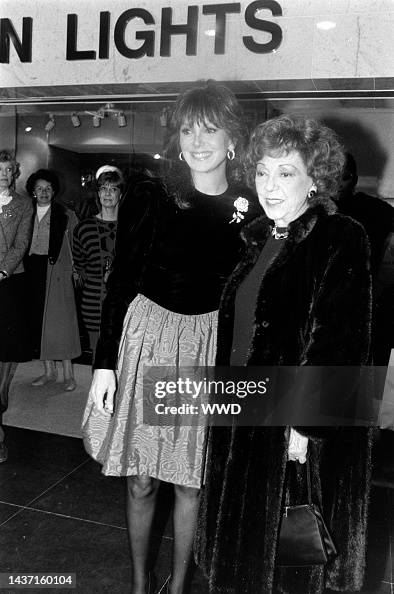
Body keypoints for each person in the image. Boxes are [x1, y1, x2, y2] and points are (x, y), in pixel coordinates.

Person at [82, 80, 260, 594]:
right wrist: (103, 363)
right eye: (188, 129)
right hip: (148, 334)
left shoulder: (251, 204)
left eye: (210, 129)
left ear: (233, 138)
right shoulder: (151, 192)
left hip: (206, 346)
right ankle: (141, 583)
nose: (198, 141)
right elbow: (121, 280)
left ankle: (179, 585)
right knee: (141, 477)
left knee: (190, 479)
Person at [195, 115, 373, 593]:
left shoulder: (339, 236)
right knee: (238, 545)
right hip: (240, 413)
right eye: (262, 172)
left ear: (315, 179)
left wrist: (304, 425)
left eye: (286, 173)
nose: (269, 187)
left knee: (288, 558)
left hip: (287, 424)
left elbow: (341, 340)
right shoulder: (260, 239)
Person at [25, 169, 81, 392]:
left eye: (48, 188)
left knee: (62, 323)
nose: (44, 192)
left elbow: (77, 245)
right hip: (31, 270)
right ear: (33, 191)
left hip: (57, 270)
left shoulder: (66, 214)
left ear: (54, 190)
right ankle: (49, 372)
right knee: (40, 323)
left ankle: (69, 375)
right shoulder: (25, 212)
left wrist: (75, 270)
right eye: (39, 188)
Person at [0, 151, 33, 463]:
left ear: (15, 174)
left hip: (6, 282)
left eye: (8, 171)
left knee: (4, 357)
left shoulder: (22, 204)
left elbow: (21, 244)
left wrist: (1, 271)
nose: (3, 175)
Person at [73, 166, 123, 353]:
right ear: (98, 193)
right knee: (97, 352)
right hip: (93, 301)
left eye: (113, 189)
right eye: (103, 188)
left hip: (122, 302)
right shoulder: (83, 228)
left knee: (122, 353)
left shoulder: (131, 228)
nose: (108, 193)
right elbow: (79, 265)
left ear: (120, 194)